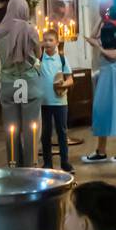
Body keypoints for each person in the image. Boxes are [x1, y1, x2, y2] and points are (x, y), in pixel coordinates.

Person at [0, 0, 42, 166]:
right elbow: (38, 54)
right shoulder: (30, 29)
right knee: (31, 129)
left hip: (8, 84)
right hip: (29, 83)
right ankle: (31, 167)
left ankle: (14, 166)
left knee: (11, 129)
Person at [82, 14, 116, 164]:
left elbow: (114, 55)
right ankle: (101, 151)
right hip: (106, 80)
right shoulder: (105, 39)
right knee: (101, 112)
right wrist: (102, 17)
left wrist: (98, 46)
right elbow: (91, 37)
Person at [38, 28, 73, 173]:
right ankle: (47, 163)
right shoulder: (39, 59)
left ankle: (65, 163)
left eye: (51, 40)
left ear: (57, 42)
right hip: (44, 103)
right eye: (45, 40)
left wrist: (64, 84)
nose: (47, 43)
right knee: (46, 134)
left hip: (60, 102)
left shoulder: (62, 59)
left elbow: (70, 78)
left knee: (62, 133)